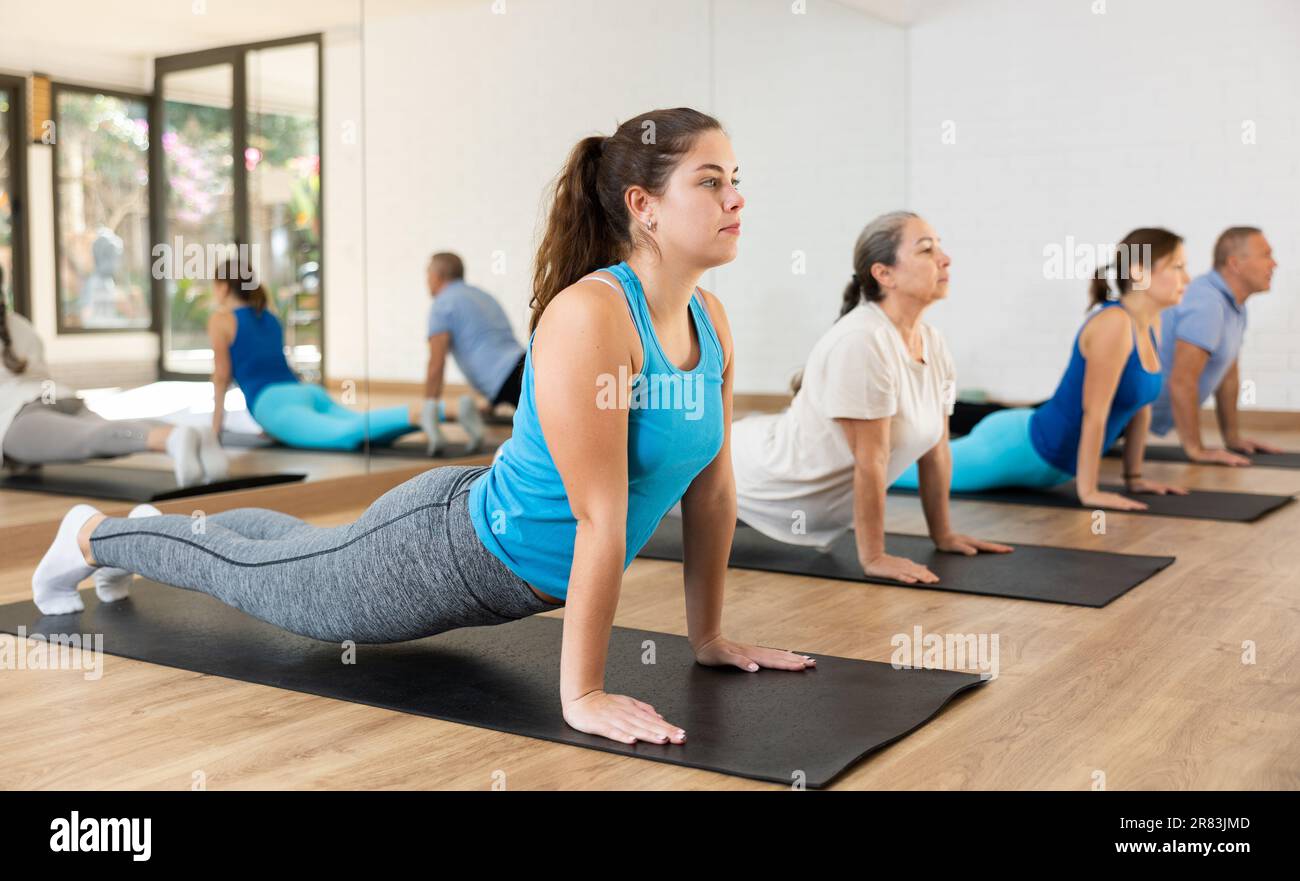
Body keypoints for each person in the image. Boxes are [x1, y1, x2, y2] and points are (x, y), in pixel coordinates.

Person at [33, 107, 813, 748]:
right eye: (711, 182)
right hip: (445, 551)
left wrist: (708, 637)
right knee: (260, 580)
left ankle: (153, 528)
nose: (736, 199)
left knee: (288, 549)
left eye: (736, 181)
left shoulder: (709, 320)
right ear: (643, 206)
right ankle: (90, 537)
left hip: (478, 548)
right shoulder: (593, 316)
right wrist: (582, 692)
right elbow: (598, 517)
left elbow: (712, 493)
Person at [730, 211, 1010, 586]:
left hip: (790, 478)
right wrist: (874, 556)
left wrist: (943, 535)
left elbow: (937, 449)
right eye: (927, 249)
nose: (945, 258)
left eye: (940, 247)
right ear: (884, 274)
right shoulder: (863, 340)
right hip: (750, 472)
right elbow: (871, 459)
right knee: (645, 493)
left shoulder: (934, 343)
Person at [894, 228, 1191, 512]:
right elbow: (1094, 413)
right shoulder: (1114, 324)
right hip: (1018, 450)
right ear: (1139, 272)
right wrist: (1089, 492)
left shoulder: (1150, 324)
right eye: (1177, 267)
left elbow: (1140, 406)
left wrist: (1134, 478)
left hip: (1042, 452)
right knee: (894, 473)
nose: (1186, 278)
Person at [0, 266, 225, 487]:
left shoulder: (16, 324)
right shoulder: (19, 323)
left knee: (88, 438)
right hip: (57, 395)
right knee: (100, 428)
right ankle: (192, 434)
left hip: (18, 414)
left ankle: (170, 440)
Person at [207, 260, 439, 453]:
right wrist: (275, 427)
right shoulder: (269, 317)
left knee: (347, 435)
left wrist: (215, 430)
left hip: (272, 405)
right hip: (306, 392)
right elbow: (271, 364)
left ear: (224, 287)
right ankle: (435, 413)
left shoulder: (221, 320)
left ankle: (421, 413)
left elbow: (222, 377)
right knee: (362, 426)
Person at [1149, 226, 1282, 464]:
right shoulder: (1207, 302)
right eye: (1266, 255)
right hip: (1106, 420)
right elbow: (1182, 381)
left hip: (1128, 424)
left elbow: (1227, 374)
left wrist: (1232, 439)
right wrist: (1196, 450)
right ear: (1235, 264)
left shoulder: (1234, 305)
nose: (1274, 264)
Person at [422, 252, 523, 452]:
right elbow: (497, 343)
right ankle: (472, 409)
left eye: (427, 274)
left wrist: (429, 408)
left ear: (437, 275)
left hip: (505, 381)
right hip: (524, 364)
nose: (426, 280)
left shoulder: (442, 304)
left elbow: (436, 362)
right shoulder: (483, 295)